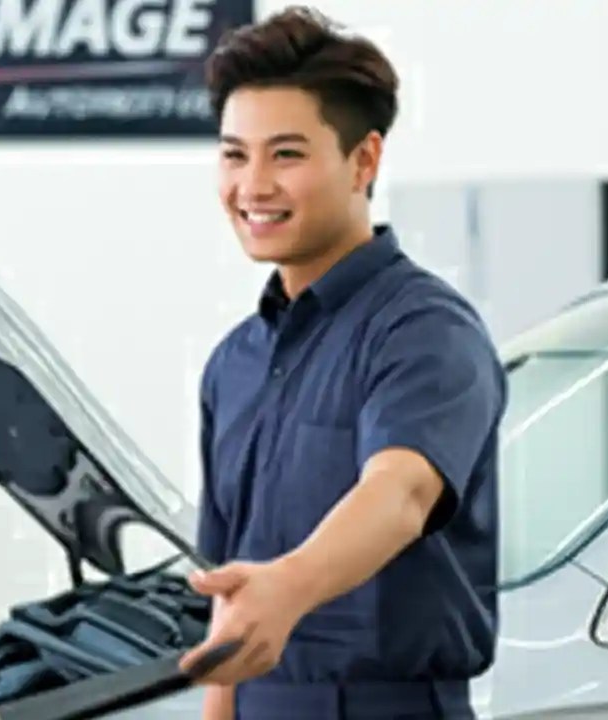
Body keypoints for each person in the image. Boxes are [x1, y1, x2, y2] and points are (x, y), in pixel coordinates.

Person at [176, 7, 506, 720]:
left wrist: (288, 588)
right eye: (235, 155)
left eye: (286, 155)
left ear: (364, 161)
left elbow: (401, 494)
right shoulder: (232, 363)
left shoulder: (423, 332)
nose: (253, 185)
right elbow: (230, 593)